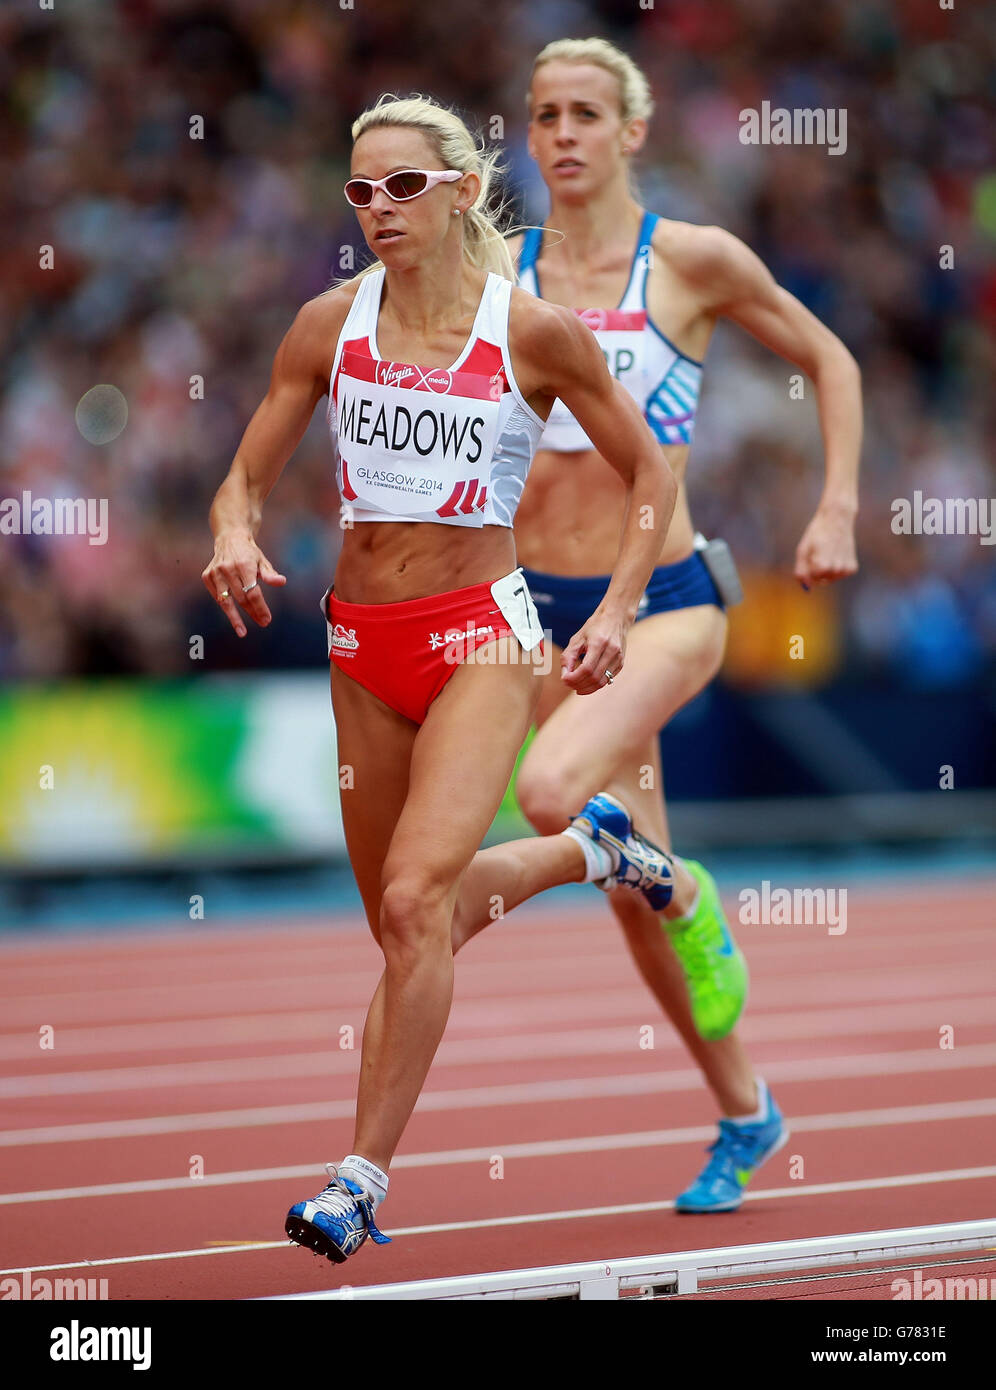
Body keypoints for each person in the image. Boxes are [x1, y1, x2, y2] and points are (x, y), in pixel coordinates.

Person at [202, 93, 678, 1264]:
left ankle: (357, 1180)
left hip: (485, 638)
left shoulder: (533, 332)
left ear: (463, 189)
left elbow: (651, 470)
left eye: (402, 185)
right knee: (408, 928)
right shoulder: (327, 323)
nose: (377, 208)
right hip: (362, 647)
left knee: (420, 904)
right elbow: (243, 475)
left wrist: (619, 604)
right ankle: (591, 850)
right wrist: (231, 529)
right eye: (359, 189)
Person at [452, 37, 862, 1215]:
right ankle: (748, 1109)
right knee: (625, 892)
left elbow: (828, 358)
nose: (564, 134)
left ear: (632, 132)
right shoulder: (499, 273)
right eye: (543, 115)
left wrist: (834, 505)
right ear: (526, 138)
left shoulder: (689, 262)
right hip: (539, 613)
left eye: (587, 112)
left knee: (551, 791)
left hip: (670, 602)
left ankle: (691, 895)